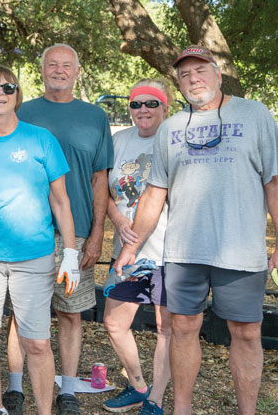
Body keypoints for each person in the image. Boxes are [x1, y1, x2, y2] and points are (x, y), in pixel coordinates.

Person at [114, 46, 278, 415]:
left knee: (247, 333)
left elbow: (276, 183)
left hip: (241, 252)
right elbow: (155, 193)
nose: (193, 78)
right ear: (179, 84)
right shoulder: (170, 128)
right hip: (183, 253)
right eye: (185, 74)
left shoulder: (254, 114)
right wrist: (132, 246)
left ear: (218, 74)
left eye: (200, 70)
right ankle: (181, 408)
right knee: (182, 329)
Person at [0, 67, 79, 415]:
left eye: (8, 87)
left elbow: (60, 201)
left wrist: (70, 253)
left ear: (17, 95)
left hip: (34, 256)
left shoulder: (41, 139)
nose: (0, 93)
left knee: (37, 343)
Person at [14, 43, 113, 415]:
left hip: (76, 234)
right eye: (52, 64)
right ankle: (15, 387)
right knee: (20, 315)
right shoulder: (22, 112)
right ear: (41, 70)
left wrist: (97, 234)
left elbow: (100, 179)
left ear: (77, 72)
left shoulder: (95, 117)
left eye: (66, 65)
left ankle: (68, 391)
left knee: (71, 314)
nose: (59, 70)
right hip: (27, 231)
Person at [101, 79, 175, 415]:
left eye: (151, 103)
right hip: (127, 251)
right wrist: (117, 219)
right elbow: (103, 190)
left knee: (166, 328)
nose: (143, 109)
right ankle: (139, 387)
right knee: (114, 323)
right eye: (136, 104)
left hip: (168, 252)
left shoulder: (175, 139)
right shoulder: (119, 141)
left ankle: (156, 399)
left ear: (165, 107)